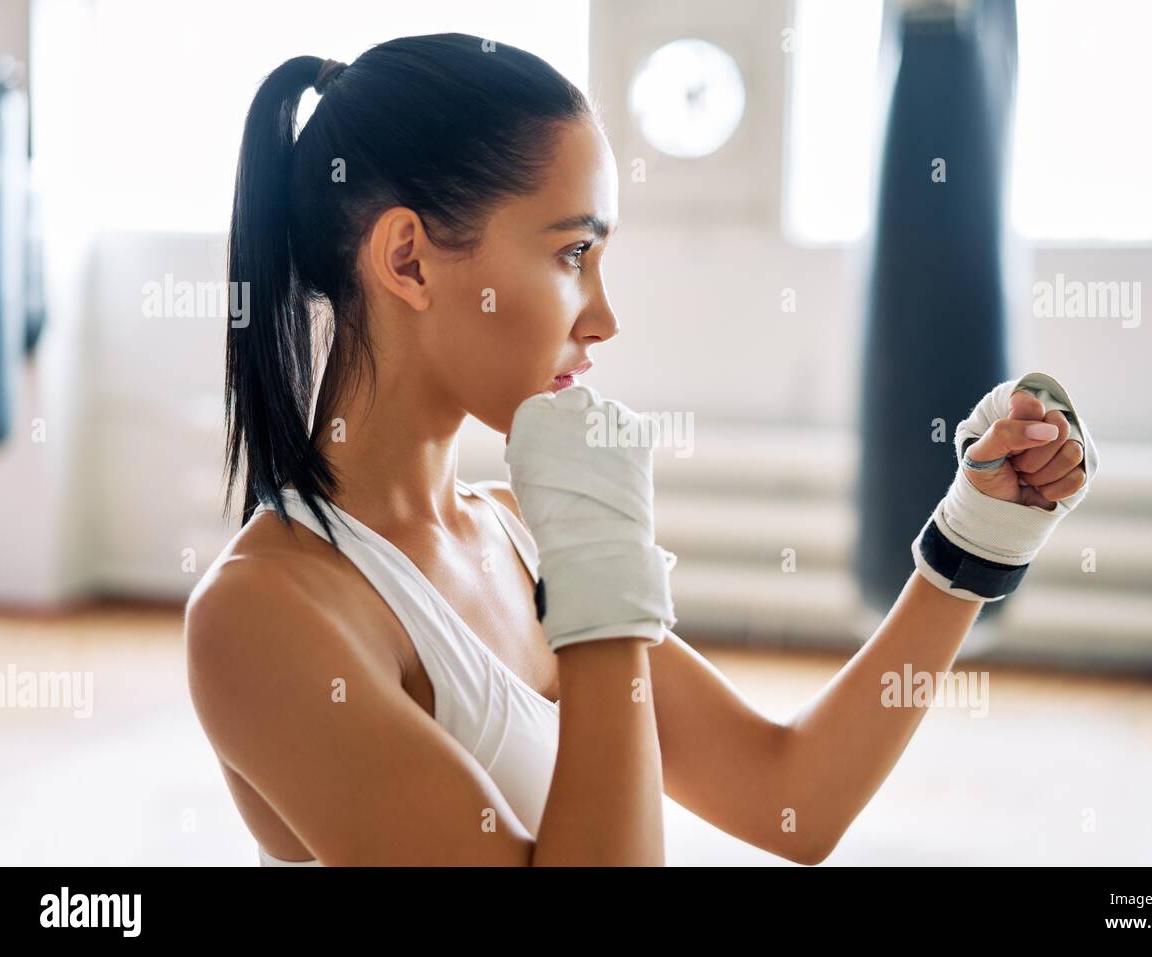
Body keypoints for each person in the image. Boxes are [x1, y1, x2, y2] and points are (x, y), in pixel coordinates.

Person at [184, 33, 1093, 867]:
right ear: (410, 261)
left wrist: (975, 537)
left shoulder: (516, 531)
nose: (604, 317)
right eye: (573, 252)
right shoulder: (262, 613)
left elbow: (792, 798)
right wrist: (602, 585)